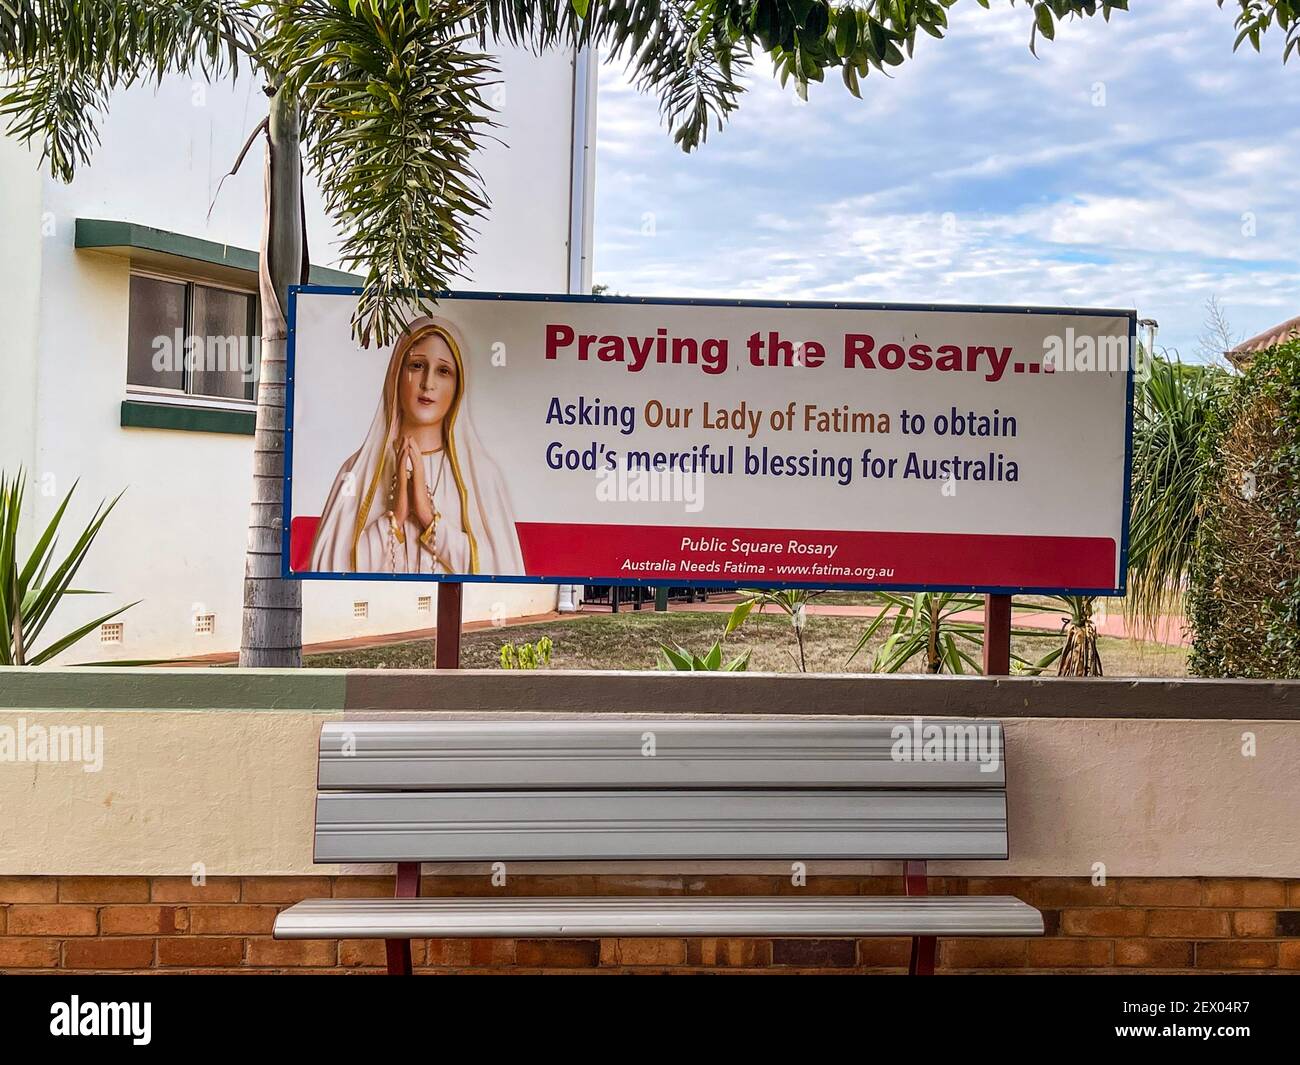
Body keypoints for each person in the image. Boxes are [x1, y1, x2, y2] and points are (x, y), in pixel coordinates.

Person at [309, 315, 524, 575]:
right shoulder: (357, 470)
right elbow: (328, 568)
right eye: (417, 365)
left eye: (443, 371)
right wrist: (395, 519)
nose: (427, 383)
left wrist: (429, 519)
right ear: (396, 375)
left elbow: (502, 570)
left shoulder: (483, 475)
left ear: (458, 386)